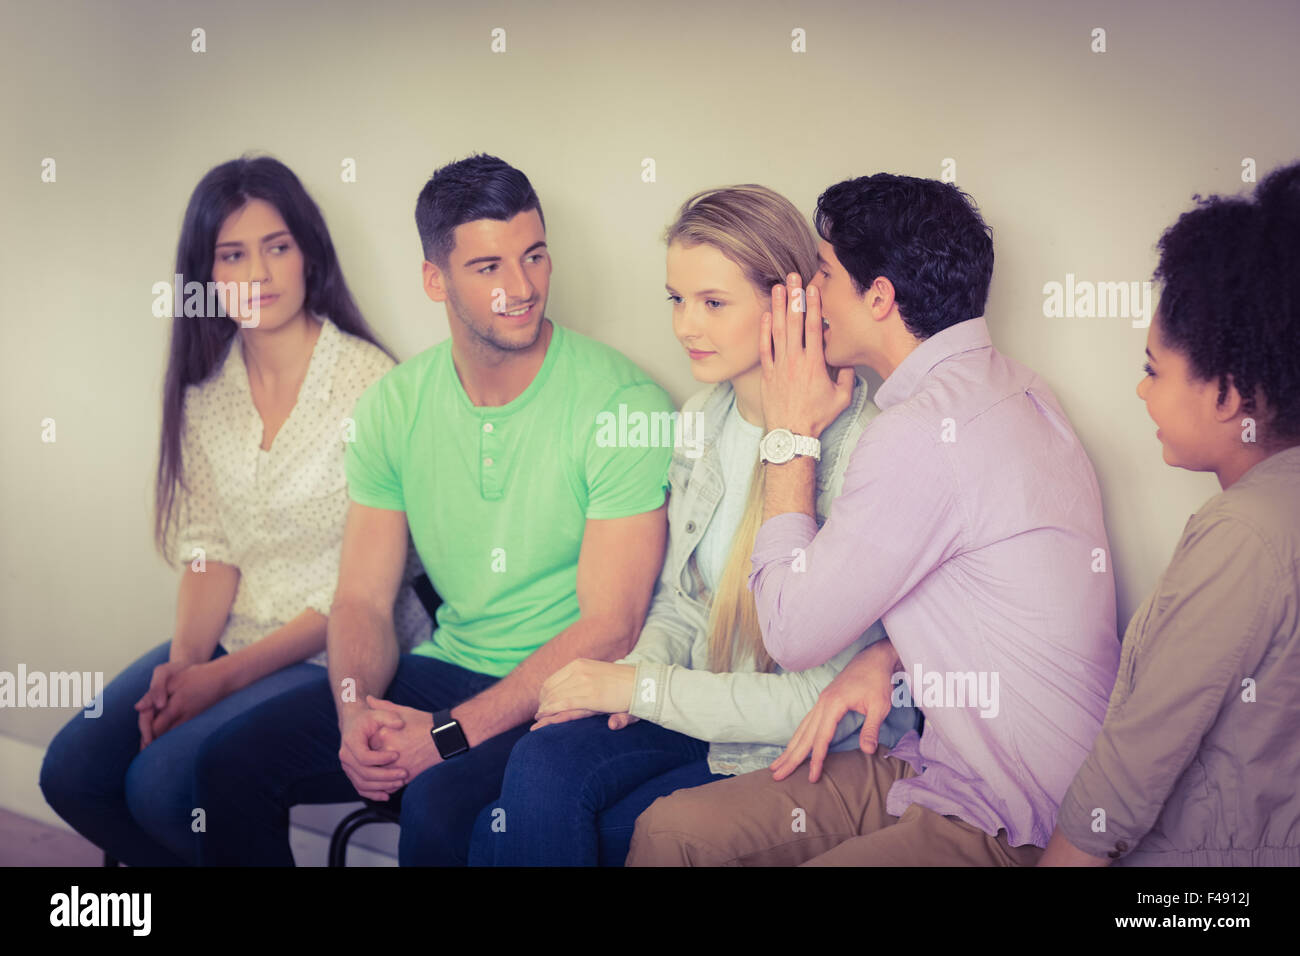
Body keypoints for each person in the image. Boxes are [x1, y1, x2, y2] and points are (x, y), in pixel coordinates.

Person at [191, 153, 675, 866]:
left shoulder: (623, 406)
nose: (522, 287)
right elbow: (360, 596)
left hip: (565, 689)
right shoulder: (395, 404)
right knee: (227, 767)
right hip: (451, 663)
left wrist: (448, 733)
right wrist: (355, 708)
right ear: (434, 279)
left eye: (534, 256)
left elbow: (612, 626)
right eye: (488, 268)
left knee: (440, 805)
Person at [628, 173, 1120, 867]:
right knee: (668, 831)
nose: (806, 296)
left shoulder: (917, 432)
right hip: (936, 765)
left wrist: (791, 435)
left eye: (822, 274)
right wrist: (886, 656)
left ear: (880, 297)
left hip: (1012, 813)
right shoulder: (1018, 388)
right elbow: (990, 584)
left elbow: (792, 633)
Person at [468, 185, 918, 866]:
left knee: (561, 829)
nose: (685, 327)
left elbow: (819, 700)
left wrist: (637, 687)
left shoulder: (862, 450)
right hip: (696, 705)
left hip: (789, 742)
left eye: (712, 303)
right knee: (531, 769)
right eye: (676, 300)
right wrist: (632, 676)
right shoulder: (702, 420)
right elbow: (683, 600)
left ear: (790, 302)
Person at [39, 155, 428, 865]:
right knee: (71, 774)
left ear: (308, 253)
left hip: (333, 654)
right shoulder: (205, 393)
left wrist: (220, 678)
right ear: (206, 276)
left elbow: (365, 589)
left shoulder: (371, 385)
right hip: (235, 634)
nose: (259, 274)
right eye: (233, 255)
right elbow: (208, 547)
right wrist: (187, 664)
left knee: (164, 786)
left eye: (277, 247)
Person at [1040, 163, 1300, 866]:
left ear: (1226, 393)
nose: (1141, 390)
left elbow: (1121, 787)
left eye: (1154, 369)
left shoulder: (1243, 536)